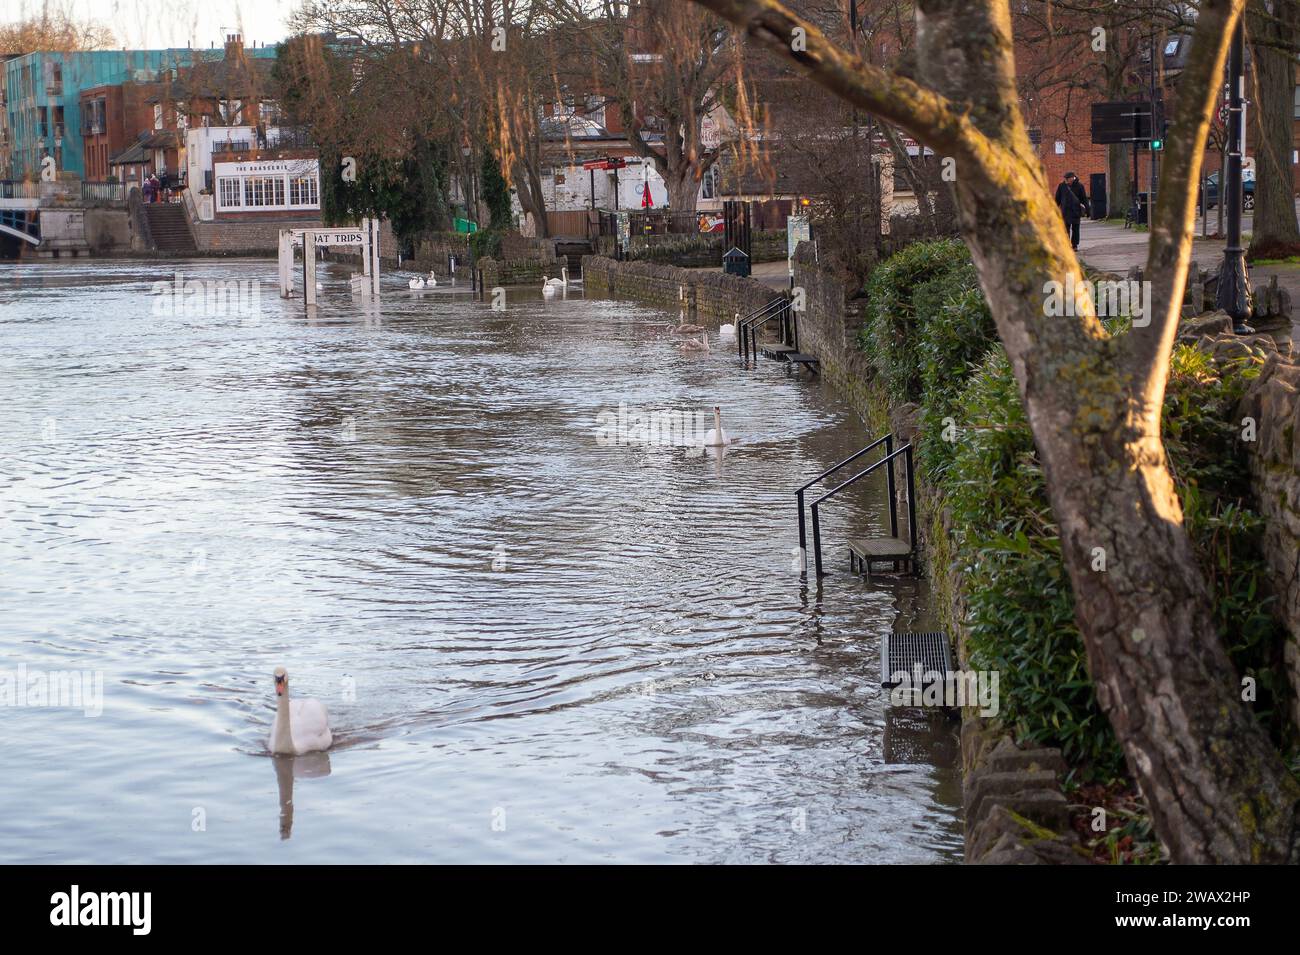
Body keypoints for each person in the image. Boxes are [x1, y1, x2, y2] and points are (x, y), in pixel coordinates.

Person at [1054, 171, 1090, 251]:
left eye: (1067, 179)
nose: (1066, 180)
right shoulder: (1062, 186)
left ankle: (1074, 245)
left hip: (1075, 211)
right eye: (1065, 179)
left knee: (1075, 229)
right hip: (1065, 211)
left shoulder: (1079, 186)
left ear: (1073, 178)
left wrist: (1088, 210)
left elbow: (1084, 198)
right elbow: (1057, 199)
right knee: (1065, 230)